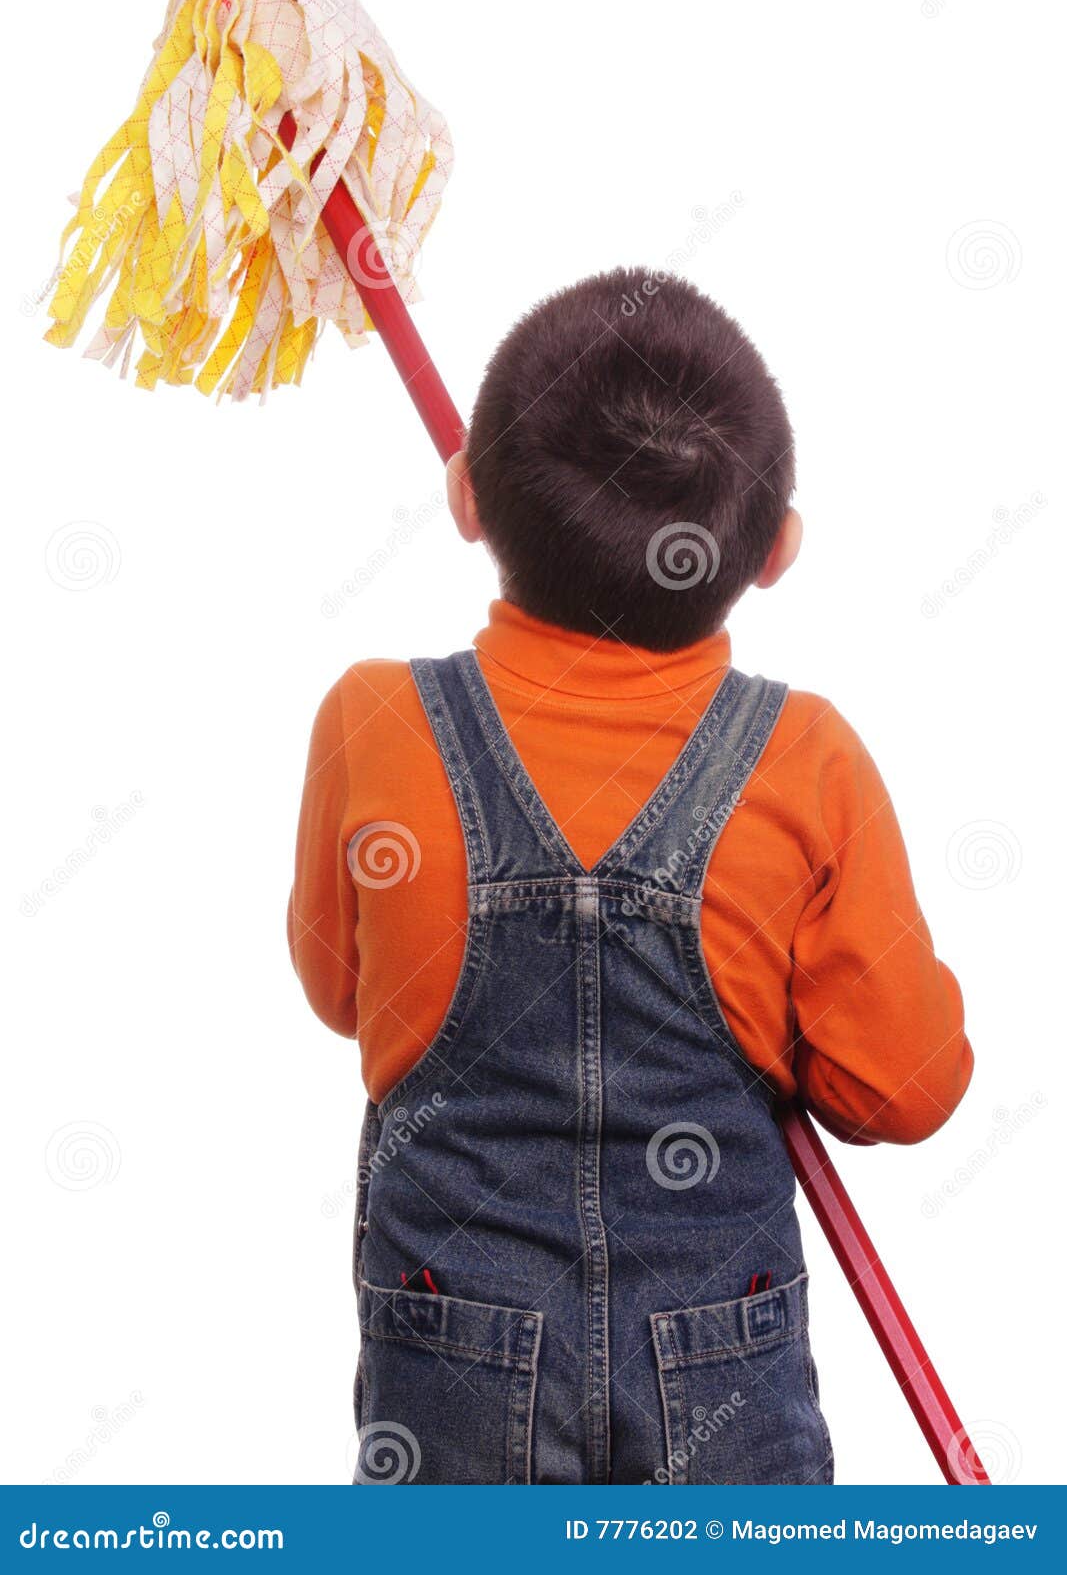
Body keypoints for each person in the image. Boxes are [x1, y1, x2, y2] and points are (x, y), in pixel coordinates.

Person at [289, 268, 973, 1485]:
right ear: (775, 552)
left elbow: (345, 991)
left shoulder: (375, 721)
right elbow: (900, 1094)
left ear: (463, 498)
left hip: (451, 1352)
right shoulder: (805, 762)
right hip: (720, 1359)